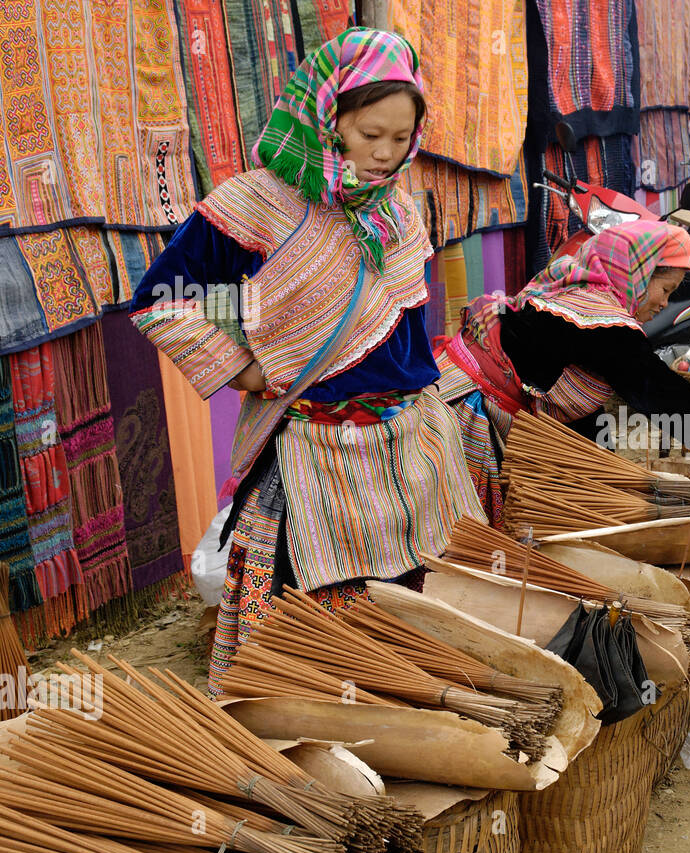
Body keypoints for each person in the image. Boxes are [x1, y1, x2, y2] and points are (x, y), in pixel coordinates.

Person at [129, 29, 485, 696]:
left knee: (423, 615)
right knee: (305, 643)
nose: (385, 154)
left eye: (401, 138)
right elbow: (159, 300)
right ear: (327, 118)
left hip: (413, 446)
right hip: (315, 454)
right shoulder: (256, 202)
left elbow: (404, 321)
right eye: (369, 133)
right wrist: (244, 369)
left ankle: (408, 724)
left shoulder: (398, 209)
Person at [435, 222, 690, 525]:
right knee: (464, 534)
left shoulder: (572, 293)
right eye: (665, 289)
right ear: (637, 273)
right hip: (466, 421)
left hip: (456, 396)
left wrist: (604, 474)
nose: (664, 303)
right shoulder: (600, 320)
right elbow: (663, 394)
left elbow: (585, 409)